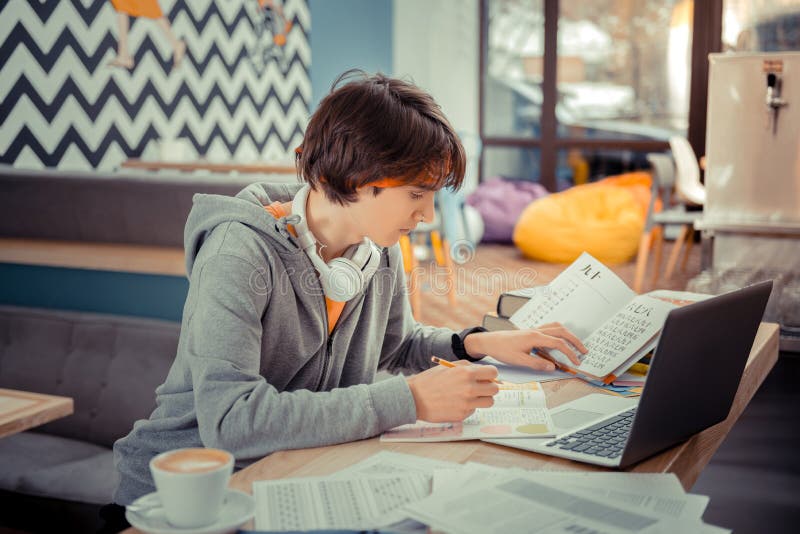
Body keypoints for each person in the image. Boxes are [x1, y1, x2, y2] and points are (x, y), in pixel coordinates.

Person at [102, 70, 586, 531]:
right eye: (418, 193)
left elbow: (395, 347)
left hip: (296, 473)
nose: (426, 215)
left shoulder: (379, 248)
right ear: (360, 178)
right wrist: (411, 399)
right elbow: (233, 421)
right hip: (185, 504)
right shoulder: (239, 252)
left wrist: (477, 344)